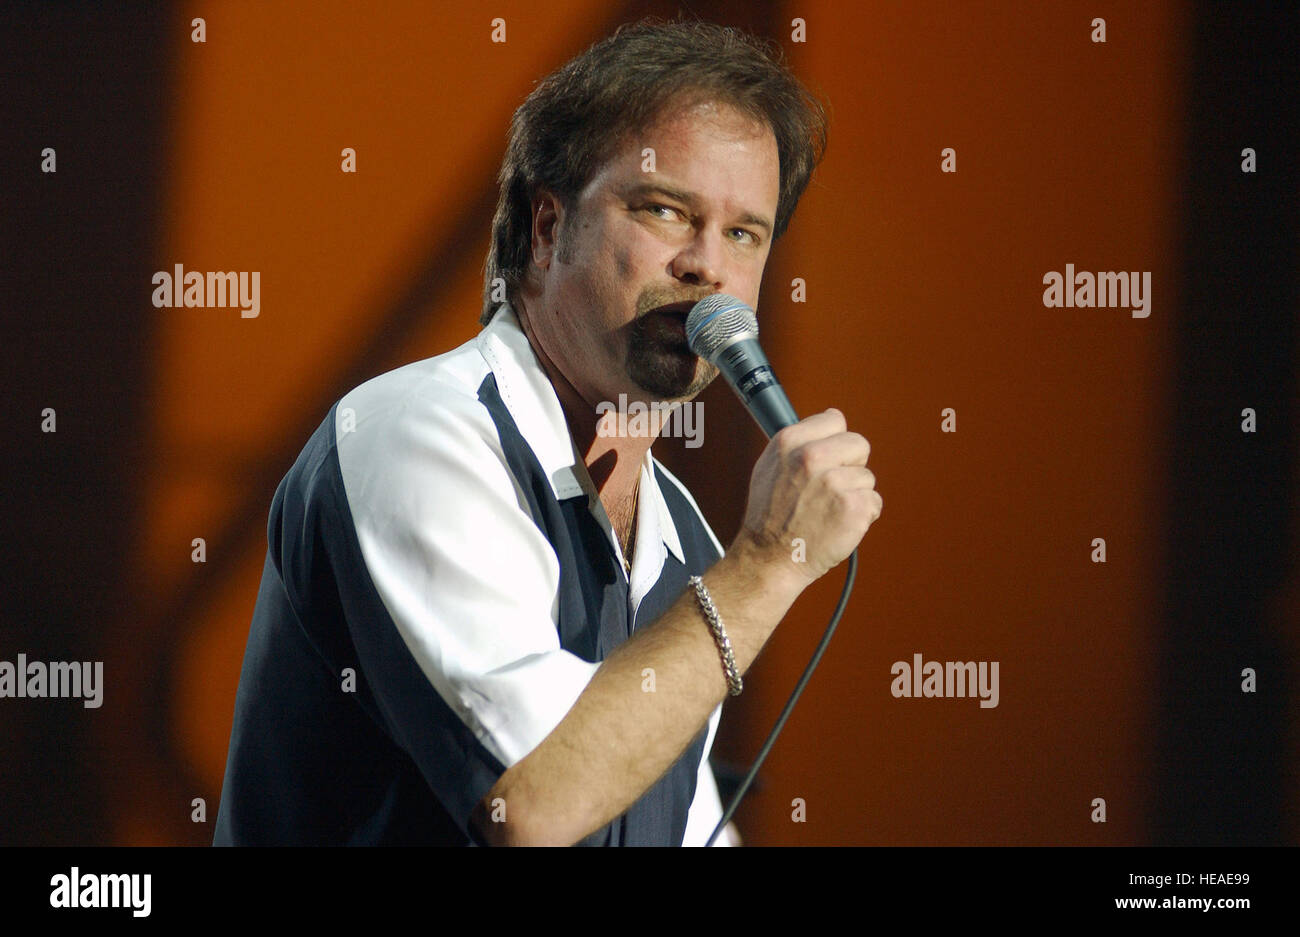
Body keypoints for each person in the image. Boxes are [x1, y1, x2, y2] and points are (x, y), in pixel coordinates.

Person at [213, 18, 881, 847]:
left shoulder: (686, 541)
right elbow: (530, 804)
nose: (709, 265)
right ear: (547, 228)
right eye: (666, 210)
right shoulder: (421, 433)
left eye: (745, 233)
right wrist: (770, 563)